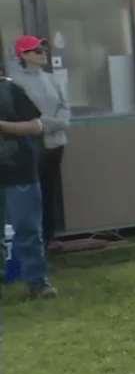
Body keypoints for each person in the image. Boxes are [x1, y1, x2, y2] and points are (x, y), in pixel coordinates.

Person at [0, 69, 56, 300]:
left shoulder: (9, 89)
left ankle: (38, 283)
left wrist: (2, 126)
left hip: (18, 172)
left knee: (28, 230)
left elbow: (36, 126)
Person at [9, 36, 69, 245]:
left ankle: (49, 238)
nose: (43, 53)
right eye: (36, 50)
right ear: (23, 55)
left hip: (55, 145)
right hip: (31, 145)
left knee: (50, 191)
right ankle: (32, 242)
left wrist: (55, 123)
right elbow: (23, 115)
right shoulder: (15, 83)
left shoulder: (52, 78)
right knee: (32, 195)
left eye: (43, 49)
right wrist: (50, 124)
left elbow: (64, 107)